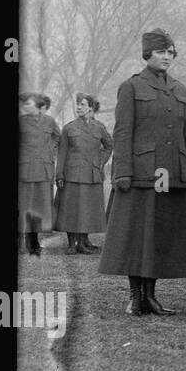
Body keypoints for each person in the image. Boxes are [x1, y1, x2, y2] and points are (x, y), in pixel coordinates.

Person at [99, 29, 186, 315]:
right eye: (160, 52)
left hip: (170, 173)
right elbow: (123, 132)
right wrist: (122, 172)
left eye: (170, 52)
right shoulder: (131, 87)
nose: (166, 57)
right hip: (142, 173)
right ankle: (135, 295)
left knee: (159, 235)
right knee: (138, 235)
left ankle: (151, 295)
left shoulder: (180, 89)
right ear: (147, 55)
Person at [54, 93, 111, 254]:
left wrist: (100, 161)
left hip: (92, 175)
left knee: (87, 209)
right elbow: (62, 153)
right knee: (70, 209)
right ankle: (72, 243)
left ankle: (83, 243)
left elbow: (108, 145)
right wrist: (59, 175)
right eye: (78, 104)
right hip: (72, 174)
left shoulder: (99, 127)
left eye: (83, 104)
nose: (79, 107)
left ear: (91, 108)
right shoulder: (69, 128)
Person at [18, 93, 59, 256]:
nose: (25, 106)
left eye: (28, 104)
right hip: (25, 170)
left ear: (39, 106)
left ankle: (33, 244)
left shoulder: (49, 121)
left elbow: (57, 136)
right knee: (23, 207)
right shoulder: (21, 121)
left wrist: (49, 151)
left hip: (42, 170)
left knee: (36, 208)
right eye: (24, 104)